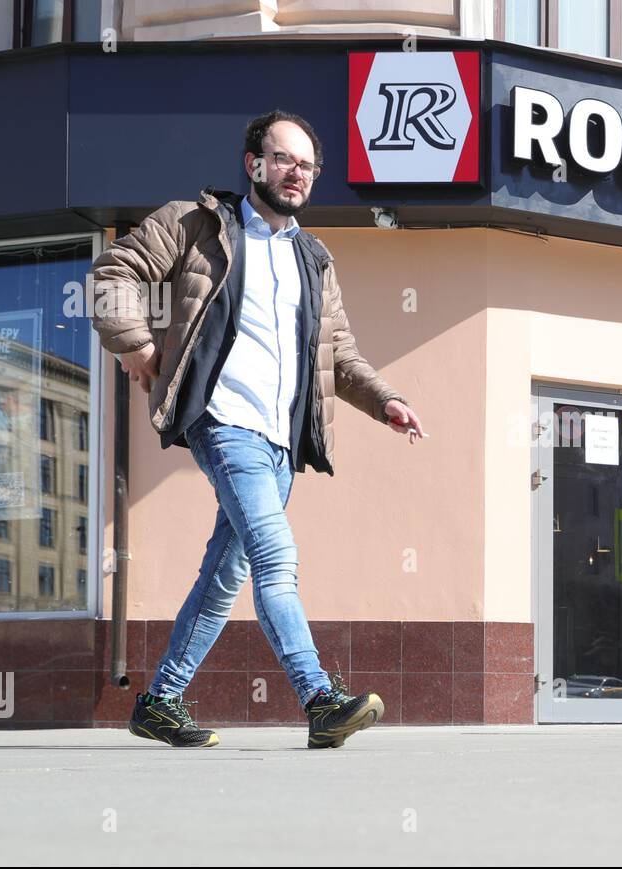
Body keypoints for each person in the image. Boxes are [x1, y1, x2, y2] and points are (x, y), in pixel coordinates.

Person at [90, 109, 426, 750]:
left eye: (307, 165)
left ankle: (160, 701)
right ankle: (320, 699)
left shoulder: (314, 259)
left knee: (223, 573)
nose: (295, 173)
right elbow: (114, 272)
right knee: (276, 558)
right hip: (225, 424)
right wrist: (134, 344)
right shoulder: (196, 225)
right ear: (253, 165)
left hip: (280, 442)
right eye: (283, 160)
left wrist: (385, 401)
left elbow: (340, 355)